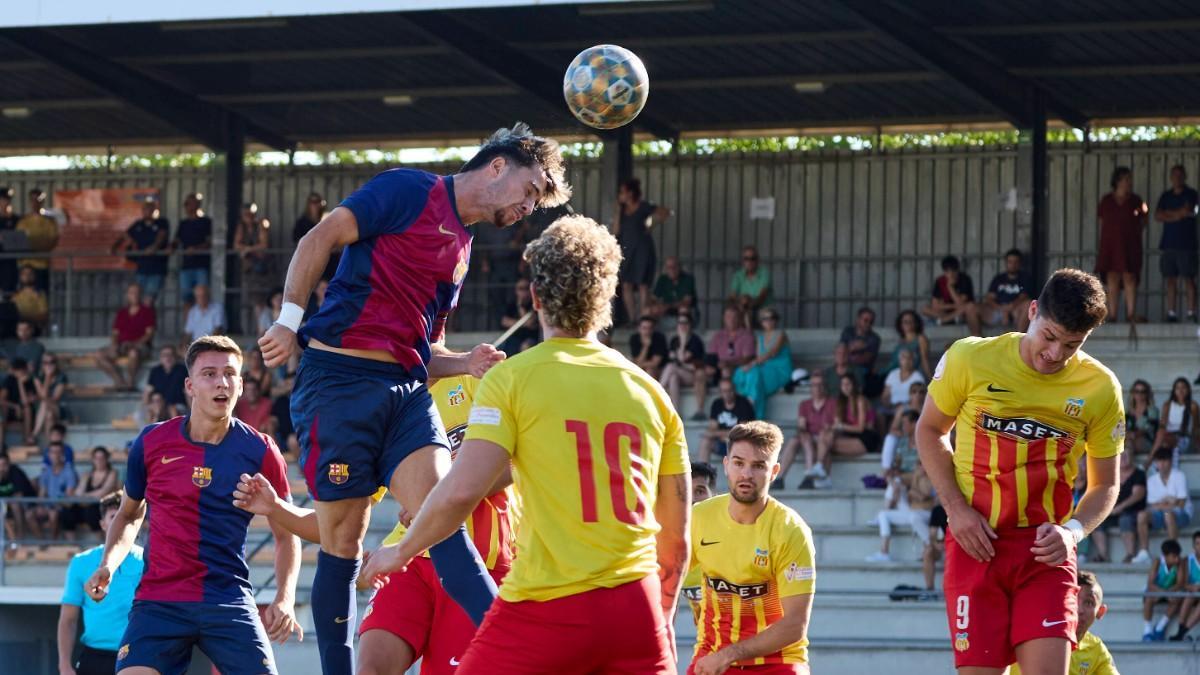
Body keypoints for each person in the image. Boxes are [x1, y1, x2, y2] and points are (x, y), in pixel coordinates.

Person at [258, 122, 569, 674]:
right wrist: (288, 320)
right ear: (497, 166)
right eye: (532, 189)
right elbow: (319, 239)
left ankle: (514, 653)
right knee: (342, 542)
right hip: (338, 382)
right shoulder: (407, 189)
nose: (531, 206)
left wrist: (462, 364)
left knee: (443, 517)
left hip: (405, 392)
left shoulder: (465, 247)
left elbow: (429, 349)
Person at [361, 215, 690, 675]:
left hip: (548, 603)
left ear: (535, 297)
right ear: (608, 298)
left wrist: (399, 550)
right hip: (637, 608)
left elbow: (460, 491)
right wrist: (660, 620)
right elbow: (675, 543)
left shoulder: (511, 379)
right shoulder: (652, 393)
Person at [233, 371, 516, 675]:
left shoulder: (477, 379)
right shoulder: (381, 403)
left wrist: (436, 503)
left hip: (477, 560)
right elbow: (336, 525)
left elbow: (516, 462)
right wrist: (276, 507)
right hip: (407, 561)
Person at [916, 268, 1124, 674]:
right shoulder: (970, 358)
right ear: (1032, 311)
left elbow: (1106, 484)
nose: (1055, 355)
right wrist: (956, 511)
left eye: (1072, 345)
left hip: (1045, 553)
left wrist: (1073, 531)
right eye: (1049, 337)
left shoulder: (1100, 388)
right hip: (977, 543)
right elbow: (928, 431)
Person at [84, 336, 302, 674]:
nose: (221, 382)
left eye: (230, 374)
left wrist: (285, 598)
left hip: (227, 599)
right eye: (209, 374)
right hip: (159, 601)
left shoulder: (261, 450)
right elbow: (129, 514)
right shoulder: (152, 442)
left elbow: (287, 534)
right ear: (190, 385)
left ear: (241, 385)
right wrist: (108, 564)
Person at [688, 421, 815, 675]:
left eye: (758, 466)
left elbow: (794, 625)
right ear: (726, 465)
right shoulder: (698, 518)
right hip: (711, 655)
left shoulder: (791, 530)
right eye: (738, 463)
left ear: (775, 471)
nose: (746, 474)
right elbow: (663, 580)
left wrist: (730, 654)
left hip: (778, 661)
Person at [58, 491, 143, 675]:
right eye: (114, 517)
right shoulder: (81, 562)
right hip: (94, 658)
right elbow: (68, 620)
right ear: (103, 524)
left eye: (127, 517)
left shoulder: (149, 561)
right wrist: (64, 665)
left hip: (136, 657)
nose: (121, 523)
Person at [1009, 570, 1117, 675]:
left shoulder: (1096, 650)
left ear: (1100, 612)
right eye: (1073, 599)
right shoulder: (1029, 633)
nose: (1079, 609)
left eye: (1089, 603)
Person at [613, 177, 671, 324]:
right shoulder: (622, 210)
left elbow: (665, 212)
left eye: (622, 192)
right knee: (626, 284)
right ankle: (633, 319)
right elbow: (616, 230)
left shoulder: (644, 206)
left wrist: (652, 225)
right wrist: (618, 210)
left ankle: (644, 316)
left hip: (643, 249)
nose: (620, 195)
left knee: (643, 284)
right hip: (627, 249)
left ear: (630, 193)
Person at [1095, 166, 1148, 323]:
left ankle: (1131, 314)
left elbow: (1145, 218)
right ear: (1118, 181)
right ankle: (1112, 315)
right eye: (1126, 179)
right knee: (1112, 277)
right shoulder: (1106, 200)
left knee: (1129, 276)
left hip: (1130, 245)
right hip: (1110, 245)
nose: (1129, 182)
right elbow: (1101, 221)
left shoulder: (1137, 200)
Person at [868, 448, 934, 564]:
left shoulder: (933, 475)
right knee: (884, 513)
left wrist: (914, 488)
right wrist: (895, 483)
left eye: (922, 463)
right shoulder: (916, 473)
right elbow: (901, 479)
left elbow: (925, 494)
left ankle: (929, 545)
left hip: (926, 512)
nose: (919, 465)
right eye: (919, 463)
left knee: (914, 517)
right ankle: (884, 552)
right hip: (912, 511)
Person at [1155, 165, 1198, 323]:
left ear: (1184, 176)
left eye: (1180, 174)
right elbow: (1158, 215)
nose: (1177, 177)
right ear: (1170, 177)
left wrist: (1170, 214)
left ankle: (1191, 312)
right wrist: (1178, 214)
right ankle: (1171, 313)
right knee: (1170, 279)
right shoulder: (1166, 196)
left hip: (1187, 245)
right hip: (1168, 244)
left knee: (1189, 278)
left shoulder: (1191, 194)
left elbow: (1189, 211)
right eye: (1174, 175)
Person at [779, 370, 837, 490]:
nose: (817, 388)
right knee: (795, 440)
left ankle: (809, 477)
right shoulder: (804, 404)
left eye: (820, 384)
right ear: (810, 387)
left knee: (813, 438)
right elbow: (801, 425)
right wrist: (803, 433)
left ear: (825, 386)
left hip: (825, 439)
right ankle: (780, 478)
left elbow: (836, 425)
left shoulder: (833, 403)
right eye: (814, 385)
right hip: (808, 437)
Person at [1133, 447, 1192, 563]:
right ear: (1155, 463)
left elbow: (1181, 504)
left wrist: (1163, 504)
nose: (1162, 464)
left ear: (1170, 461)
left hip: (1182, 514)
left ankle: (1172, 552)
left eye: (1165, 461)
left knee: (1168, 515)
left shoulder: (1179, 476)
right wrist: (1171, 502)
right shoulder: (1151, 480)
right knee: (1142, 515)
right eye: (1159, 461)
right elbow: (1151, 505)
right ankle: (1144, 552)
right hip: (1161, 514)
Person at [733, 307, 793, 419]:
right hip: (764, 370)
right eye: (765, 318)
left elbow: (771, 353)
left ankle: (749, 403)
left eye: (772, 318)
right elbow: (759, 357)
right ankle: (749, 403)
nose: (769, 321)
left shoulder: (781, 334)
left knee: (754, 374)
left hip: (779, 371)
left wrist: (751, 364)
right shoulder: (760, 337)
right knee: (741, 372)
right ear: (761, 322)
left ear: (776, 320)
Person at [94, 284, 155, 391]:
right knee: (99, 355)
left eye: (137, 292)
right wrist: (114, 345)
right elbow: (115, 333)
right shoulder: (122, 313)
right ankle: (119, 381)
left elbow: (149, 334)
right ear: (127, 295)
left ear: (140, 295)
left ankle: (130, 382)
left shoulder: (147, 312)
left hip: (140, 346)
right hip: (122, 345)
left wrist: (135, 344)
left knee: (133, 353)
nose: (134, 295)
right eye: (132, 293)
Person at [1089, 449, 1146, 564]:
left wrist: (1118, 509)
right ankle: (1103, 555)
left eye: (1126, 455)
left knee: (1125, 519)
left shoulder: (1139, 474)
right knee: (1095, 520)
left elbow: (1137, 495)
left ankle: (1130, 554)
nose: (1123, 458)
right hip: (1113, 512)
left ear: (1132, 457)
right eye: (1121, 455)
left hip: (1132, 512)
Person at [111, 197, 169, 303]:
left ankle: (150, 320)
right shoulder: (138, 224)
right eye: (145, 209)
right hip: (141, 268)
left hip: (156, 268)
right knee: (136, 301)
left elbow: (162, 236)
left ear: (154, 210)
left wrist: (153, 248)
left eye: (149, 209)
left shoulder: (162, 222)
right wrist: (114, 247)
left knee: (149, 301)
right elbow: (125, 234)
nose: (146, 211)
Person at [660, 309, 708, 420]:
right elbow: (673, 359)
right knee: (673, 378)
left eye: (685, 323)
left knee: (671, 368)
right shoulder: (674, 340)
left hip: (694, 375)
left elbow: (681, 359)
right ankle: (676, 413)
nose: (682, 325)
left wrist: (683, 341)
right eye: (680, 323)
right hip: (680, 373)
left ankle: (658, 389)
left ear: (690, 325)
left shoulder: (695, 340)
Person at [699, 378, 756, 464]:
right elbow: (712, 428)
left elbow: (742, 432)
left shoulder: (744, 403)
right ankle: (702, 472)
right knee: (706, 441)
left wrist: (720, 434)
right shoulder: (717, 404)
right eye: (724, 391)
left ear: (734, 390)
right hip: (723, 443)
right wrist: (724, 435)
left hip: (740, 445)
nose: (727, 394)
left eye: (730, 390)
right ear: (720, 392)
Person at [921, 255, 981, 335]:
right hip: (948, 311)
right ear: (944, 271)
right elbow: (935, 305)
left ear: (958, 270)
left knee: (970, 306)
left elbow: (961, 303)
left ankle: (945, 320)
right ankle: (951, 319)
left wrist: (950, 287)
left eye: (953, 271)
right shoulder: (940, 281)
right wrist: (951, 306)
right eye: (947, 271)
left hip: (963, 310)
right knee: (925, 308)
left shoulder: (965, 279)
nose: (951, 274)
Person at [29, 441, 76, 541]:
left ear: (63, 455)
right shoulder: (46, 471)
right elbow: (42, 492)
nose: (55, 455)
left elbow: (69, 497)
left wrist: (57, 505)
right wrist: (40, 506)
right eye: (52, 452)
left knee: (53, 514)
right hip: (48, 505)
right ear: (49, 455)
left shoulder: (69, 472)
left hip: (63, 506)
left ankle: (53, 542)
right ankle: (42, 541)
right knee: (29, 514)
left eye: (58, 452)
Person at [234, 202, 275, 311]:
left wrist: (247, 249)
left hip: (264, 268)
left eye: (250, 214)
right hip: (250, 270)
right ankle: (260, 327)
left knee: (267, 299)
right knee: (255, 301)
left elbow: (264, 245)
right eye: (245, 214)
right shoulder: (241, 226)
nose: (248, 217)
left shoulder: (261, 223)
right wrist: (251, 250)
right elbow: (236, 245)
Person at [172, 192, 212, 305]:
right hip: (186, 265)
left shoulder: (206, 222)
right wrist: (170, 247)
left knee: (203, 297)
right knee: (187, 299)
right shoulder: (183, 224)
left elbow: (211, 242)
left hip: (201, 265)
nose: (188, 206)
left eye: (190, 203)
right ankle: (189, 323)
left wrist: (196, 249)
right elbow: (176, 240)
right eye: (187, 204)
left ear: (198, 205)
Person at [1142, 539, 1185, 641]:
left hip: (1169, 591)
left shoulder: (1179, 564)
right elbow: (1150, 584)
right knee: (1148, 598)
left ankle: (1160, 627)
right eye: (1174, 556)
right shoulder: (1157, 562)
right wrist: (1163, 593)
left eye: (1178, 556)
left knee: (1177, 599)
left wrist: (1167, 593)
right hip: (1157, 590)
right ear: (1165, 556)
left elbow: (1180, 583)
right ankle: (1147, 630)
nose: (1177, 559)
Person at [16, 188, 58, 291]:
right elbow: (18, 240)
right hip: (26, 266)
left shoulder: (49, 221)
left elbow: (52, 240)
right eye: (32, 199)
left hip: (41, 265)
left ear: (42, 201)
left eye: (38, 199)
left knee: (42, 294)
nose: (35, 202)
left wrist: (36, 245)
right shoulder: (23, 221)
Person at [982, 249, 1035, 331]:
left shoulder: (1025, 278)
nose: (1013, 265)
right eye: (1010, 262)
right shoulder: (998, 278)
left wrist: (1010, 307)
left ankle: (1017, 337)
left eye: (1015, 262)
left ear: (1020, 263)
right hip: (998, 310)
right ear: (1006, 263)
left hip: (1016, 310)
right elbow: (989, 298)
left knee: (1028, 304)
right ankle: (976, 337)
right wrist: (1001, 308)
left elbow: (1024, 297)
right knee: (972, 307)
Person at [292, 192, 340, 281]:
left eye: (318, 202)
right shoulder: (302, 222)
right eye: (313, 202)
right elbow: (299, 241)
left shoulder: (327, 220)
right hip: (310, 261)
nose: (316, 205)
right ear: (308, 204)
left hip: (329, 261)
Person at [74, 447, 120, 534]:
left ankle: (101, 542)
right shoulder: (87, 474)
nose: (99, 461)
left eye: (102, 458)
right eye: (96, 458)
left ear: (107, 459)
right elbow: (78, 493)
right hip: (88, 507)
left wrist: (85, 496)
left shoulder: (113, 472)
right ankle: (71, 545)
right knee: (68, 513)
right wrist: (88, 497)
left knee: (93, 512)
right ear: (93, 460)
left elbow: (104, 491)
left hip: (104, 507)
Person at [1151, 377, 1198, 456]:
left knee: (1163, 438)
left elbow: (1195, 428)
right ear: (1174, 390)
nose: (1180, 391)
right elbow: (1163, 425)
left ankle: (1148, 462)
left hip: (1184, 438)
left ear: (1188, 390)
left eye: (1183, 387)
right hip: (1168, 437)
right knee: (1162, 438)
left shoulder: (1193, 406)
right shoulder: (1168, 405)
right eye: (1178, 388)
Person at [707, 305, 755, 380]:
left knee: (726, 371)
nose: (731, 320)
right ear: (724, 319)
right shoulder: (718, 335)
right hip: (719, 368)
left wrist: (729, 363)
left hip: (737, 368)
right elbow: (711, 356)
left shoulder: (746, 336)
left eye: (734, 317)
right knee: (700, 373)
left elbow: (748, 359)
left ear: (739, 319)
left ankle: (727, 390)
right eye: (728, 316)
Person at [31, 352, 67, 443]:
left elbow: (55, 398)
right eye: (45, 362)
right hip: (41, 410)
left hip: (58, 407)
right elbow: (43, 395)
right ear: (41, 364)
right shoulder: (37, 377)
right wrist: (47, 377)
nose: (49, 365)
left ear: (56, 363)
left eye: (52, 362)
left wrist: (48, 376)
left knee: (45, 403)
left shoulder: (61, 377)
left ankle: (35, 433)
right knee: (49, 415)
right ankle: (50, 444)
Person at [0, 450, 36, 541]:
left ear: (9, 464)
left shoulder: (16, 472)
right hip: (5, 506)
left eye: (4, 465)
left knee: (15, 505)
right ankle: (13, 541)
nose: (2, 468)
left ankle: (20, 538)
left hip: (28, 503)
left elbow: (18, 496)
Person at [729, 245, 773, 320]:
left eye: (753, 259)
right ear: (743, 261)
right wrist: (741, 303)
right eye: (746, 259)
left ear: (758, 260)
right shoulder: (738, 275)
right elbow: (732, 297)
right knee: (729, 312)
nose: (749, 262)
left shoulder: (764, 273)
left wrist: (749, 303)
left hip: (762, 309)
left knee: (765, 314)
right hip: (743, 308)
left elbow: (762, 296)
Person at [144, 345, 188, 417]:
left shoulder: (182, 370)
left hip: (178, 405)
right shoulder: (155, 371)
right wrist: (146, 407)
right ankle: (155, 427)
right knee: (155, 404)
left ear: (175, 357)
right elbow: (147, 391)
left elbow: (187, 392)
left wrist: (192, 410)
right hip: (159, 405)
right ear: (160, 358)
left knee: (172, 409)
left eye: (171, 355)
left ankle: (173, 427)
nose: (168, 357)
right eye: (165, 355)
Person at [888, 309, 933, 379]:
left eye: (911, 321)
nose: (908, 324)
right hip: (893, 373)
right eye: (905, 322)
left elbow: (924, 359)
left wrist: (931, 378)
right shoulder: (901, 340)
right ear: (900, 324)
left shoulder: (921, 338)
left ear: (916, 323)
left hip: (911, 374)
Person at [649, 256, 697, 320]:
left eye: (674, 267)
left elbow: (687, 302)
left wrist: (668, 306)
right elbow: (653, 298)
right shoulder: (663, 279)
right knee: (650, 309)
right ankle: (650, 329)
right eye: (668, 267)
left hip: (682, 309)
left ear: (679, 267)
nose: (671, 269)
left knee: (684, 309)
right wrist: (658, 305)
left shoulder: (688, 279)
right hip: (666, 309)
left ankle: (683, 328)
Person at [1172, 531, 1200, 641]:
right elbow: (1182, 582)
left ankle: (1183, 631)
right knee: (1189, 595)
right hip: (1192, 591)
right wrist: (1192, 587)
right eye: (1198, 543)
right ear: (1193, 546)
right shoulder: (1187, 560)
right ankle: (1180, 629)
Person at [498, 277, 538, 354]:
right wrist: (524, 324)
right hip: (514, 338)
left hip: (530, 338)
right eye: (521, 288)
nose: (523, 292)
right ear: (516, 291)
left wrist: (521, 307)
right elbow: (504, 321)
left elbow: (530, 322)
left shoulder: (534, 305)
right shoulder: (511, 305)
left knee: (526, 346)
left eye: (526, 288)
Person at [881, 348, 925, 417]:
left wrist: (903, 405)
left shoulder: (918, 377)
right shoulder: (893, 374)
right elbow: (885, 394)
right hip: (891, 406)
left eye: (910, 358)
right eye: (904, 358)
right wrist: (888, 404)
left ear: (913, 361)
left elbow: (918, 397)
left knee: (901, 411)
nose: (907, 361)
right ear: (900, 360)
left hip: (908, 407)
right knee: (879, 412)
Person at [2, 357, 35, 444]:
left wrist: (20, 383)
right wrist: (15, 406)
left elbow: (25, 401)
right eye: (18, 370)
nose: (21, 373)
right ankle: (2, 443)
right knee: (3, 409)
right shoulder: (9, 380)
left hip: (24, 410)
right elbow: (1, 400)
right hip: (11, 409)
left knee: (27, 409)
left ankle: (27, 439)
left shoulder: (29, 381)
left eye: (22, 370)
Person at [840, 306, 881, 374]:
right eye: (865, 320)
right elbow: (840, 352)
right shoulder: (847, 331)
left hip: (863, 370)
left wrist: (848, 350)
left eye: (871, 322)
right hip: (845, 367)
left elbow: (863, 359)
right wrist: (852, 348)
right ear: (858, 319)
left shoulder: (875, 338)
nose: (868, 324)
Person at [631, 315, 670, 380]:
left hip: (661, 370)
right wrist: (645, 347)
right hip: (643, 368)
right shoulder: (634, 338)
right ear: (639, 328)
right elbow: (637, 360)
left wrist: (638, 364)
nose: (647, 331)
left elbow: (655, 363)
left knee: (649, 370)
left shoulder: (659, 338)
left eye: (650, 328)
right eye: (644, 328)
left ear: (653, 329)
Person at [1126, 379, 1158, 454]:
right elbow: (1120, 430)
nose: (1139, 394)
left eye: (1143, 392)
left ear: (1147, 394)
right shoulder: (1128, 412)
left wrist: (1132, 435)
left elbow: (1148, 429)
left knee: (1128, 444)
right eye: (1136, 391)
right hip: (1130, 440)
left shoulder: (1152, 411)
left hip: (1146, 441)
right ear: (1133, 393)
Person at [11, 264, 48, 329]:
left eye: (30, 273)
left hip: (32, 327)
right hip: (16, 327)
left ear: (35, 276)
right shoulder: (15, 294)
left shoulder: (39, 293)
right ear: (20, 276)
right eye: (24, 274)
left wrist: (26, 319)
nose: (27, 276)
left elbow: (44, 316)